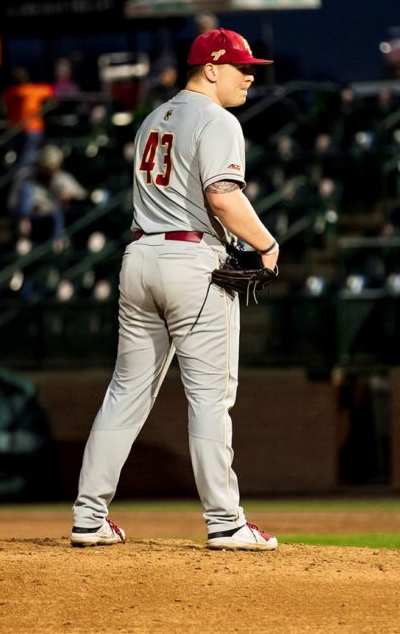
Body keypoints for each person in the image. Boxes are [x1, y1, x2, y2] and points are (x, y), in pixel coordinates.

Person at [71, 28, 281, 551]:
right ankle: (226, 522)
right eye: (241, 67)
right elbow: (223, 195)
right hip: (192, 261)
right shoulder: (218, 120)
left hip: (139, 258)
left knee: (125, 392)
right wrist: (266, 243)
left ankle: (89, 516)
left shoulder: (151, 119)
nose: (250, 75)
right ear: (211, 67)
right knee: (210, 396)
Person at [2, 67, 54, 168]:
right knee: (25, 159)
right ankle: (24, 178)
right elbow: (52, 92)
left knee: (23, 158)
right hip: (25, 130)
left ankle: (22, 177)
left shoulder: (10, 92)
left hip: (24, 129)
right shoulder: (31, 90)